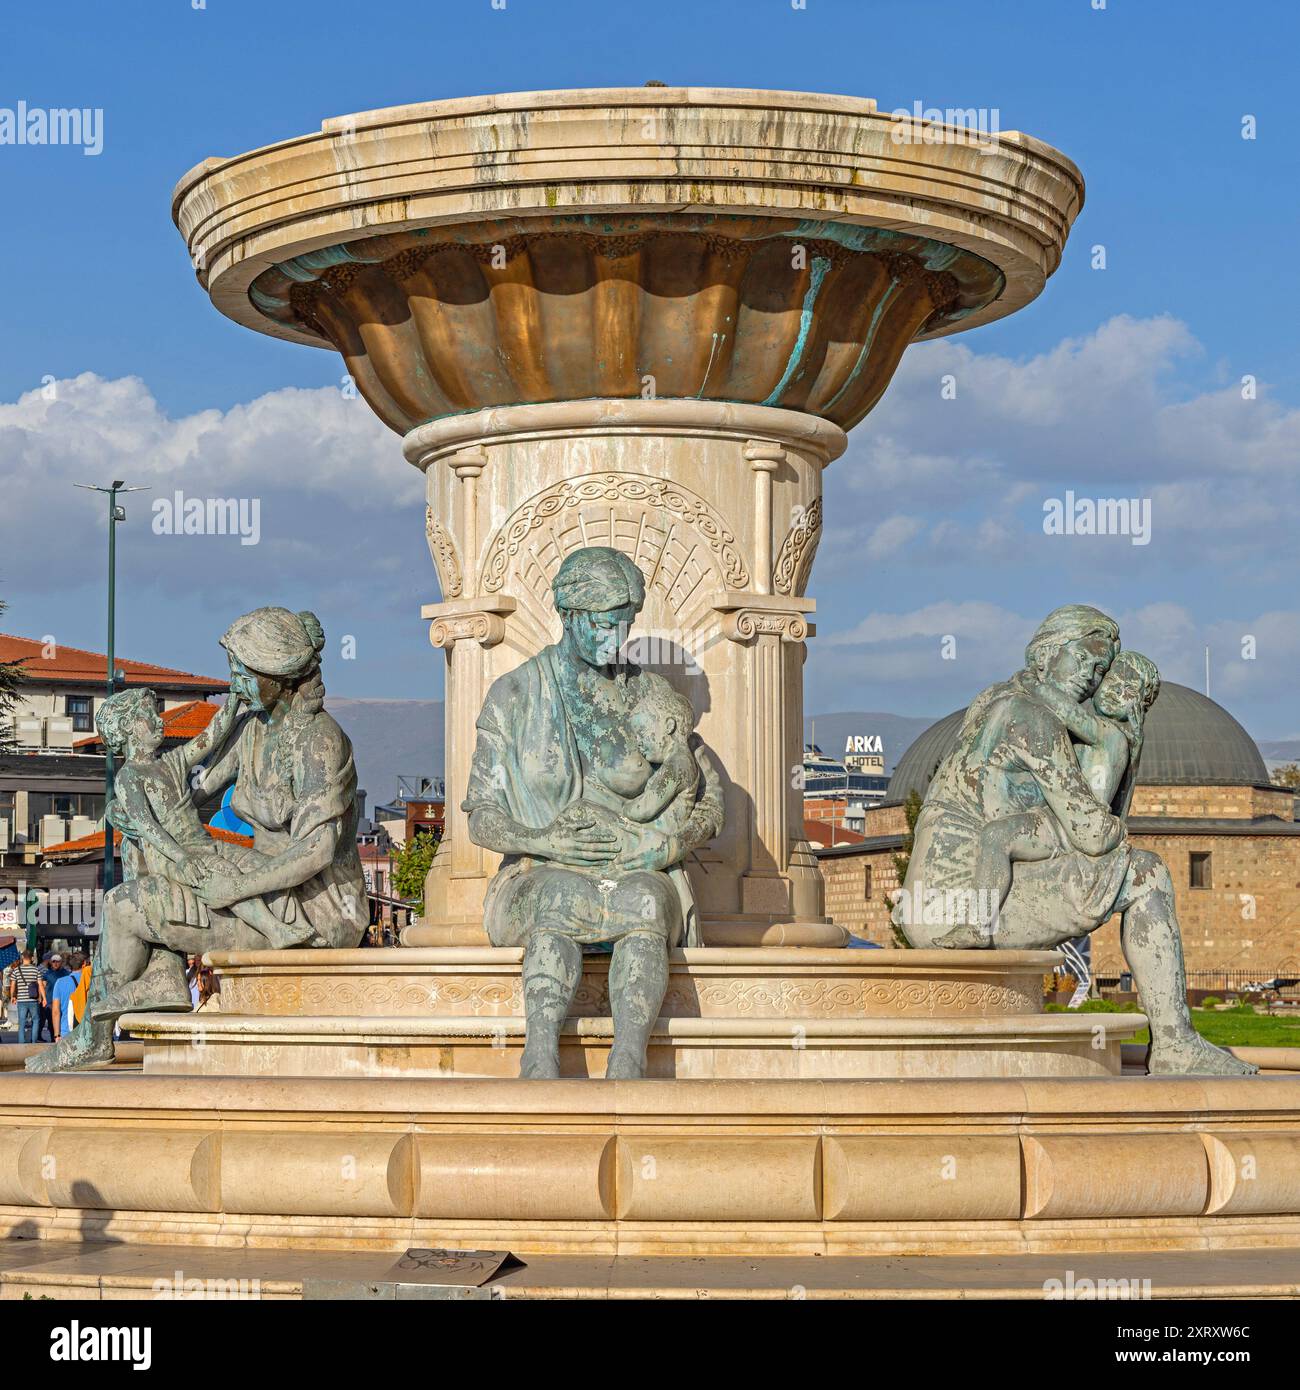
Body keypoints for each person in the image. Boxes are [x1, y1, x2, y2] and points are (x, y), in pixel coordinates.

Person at [29, 607, 367, 1073]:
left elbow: (318, 850)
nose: (235, 686)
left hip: (315, 906)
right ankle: (152, 989)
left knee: (122, 908)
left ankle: (98, 1033)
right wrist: (133, 814)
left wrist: (232, 888)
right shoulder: (253, 730)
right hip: (259, 882)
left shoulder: (320, 741)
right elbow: (192, 798)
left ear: (278, 675)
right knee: (145, 868)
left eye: (242, 674)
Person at [465, 546, 724, 1080]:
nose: (614, 641)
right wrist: (545, 842)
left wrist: (664, 848)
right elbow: (481, 817)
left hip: (635, 871)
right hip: (539, 872)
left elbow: (709, 796)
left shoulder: (650, 695)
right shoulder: (514, 696)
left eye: (623, 627)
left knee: (650, 900)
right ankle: (540, 1051)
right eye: (604, 626)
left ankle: (629, 1054)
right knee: (560, 895)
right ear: (570, 615)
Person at [963, 650, 1161, 939]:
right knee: (996, 836)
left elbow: (1065, 711)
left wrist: (1031, 682)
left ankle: (979, 926)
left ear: (1138, 707)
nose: (1114, 692)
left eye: (1127, 691)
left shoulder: (1110, 734)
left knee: (996, 837)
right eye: (1112, 681)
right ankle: (979, 924)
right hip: (1062, 820)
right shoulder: (1106, 741)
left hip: (1069, 827)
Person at [99, 687, 312, 948]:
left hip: (206, 844)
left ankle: (301, 926)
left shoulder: (172, 761)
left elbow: (210, 736)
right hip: (172, 857)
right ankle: (276, 931)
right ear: (127, 727)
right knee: (225, 872)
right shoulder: (128, 777)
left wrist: (233, 699)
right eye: (149, 716)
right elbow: (147, 827)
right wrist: (181, 858)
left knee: (264, 865)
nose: (159, 721)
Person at [10, 951, 41, 1044]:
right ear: (31, 958)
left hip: (22, 1000)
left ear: (22, 957)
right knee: (35, 1020)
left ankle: (21, 1042)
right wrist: (42, 997)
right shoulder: (36, 970)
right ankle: (33, 1041)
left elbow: (12, 985)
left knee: (22, 1022)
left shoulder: (16, 970)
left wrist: (13, 996)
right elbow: (40, 985)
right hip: (33, 1000)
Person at [38, 953, 71, 1042]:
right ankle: (54, 1039)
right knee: (51, 1022)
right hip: (50, 1002)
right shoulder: (47, 974)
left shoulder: (66, 973)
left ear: (61, 962)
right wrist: (41, 998)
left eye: (57, 962)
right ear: (51, 963)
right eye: (53, 962)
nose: (55, 963)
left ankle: (63, 1038)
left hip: (63, 1001)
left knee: (63, 1020)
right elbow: (43, 986)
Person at [51, 955, 81, 1039]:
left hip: (67, 1032)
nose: (55, 963)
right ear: (84, 964)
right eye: (54, 961)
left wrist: (57, 1035)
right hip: (88, 1032)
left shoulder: (60, 982)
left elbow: (56, 1011)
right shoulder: (92, 981)